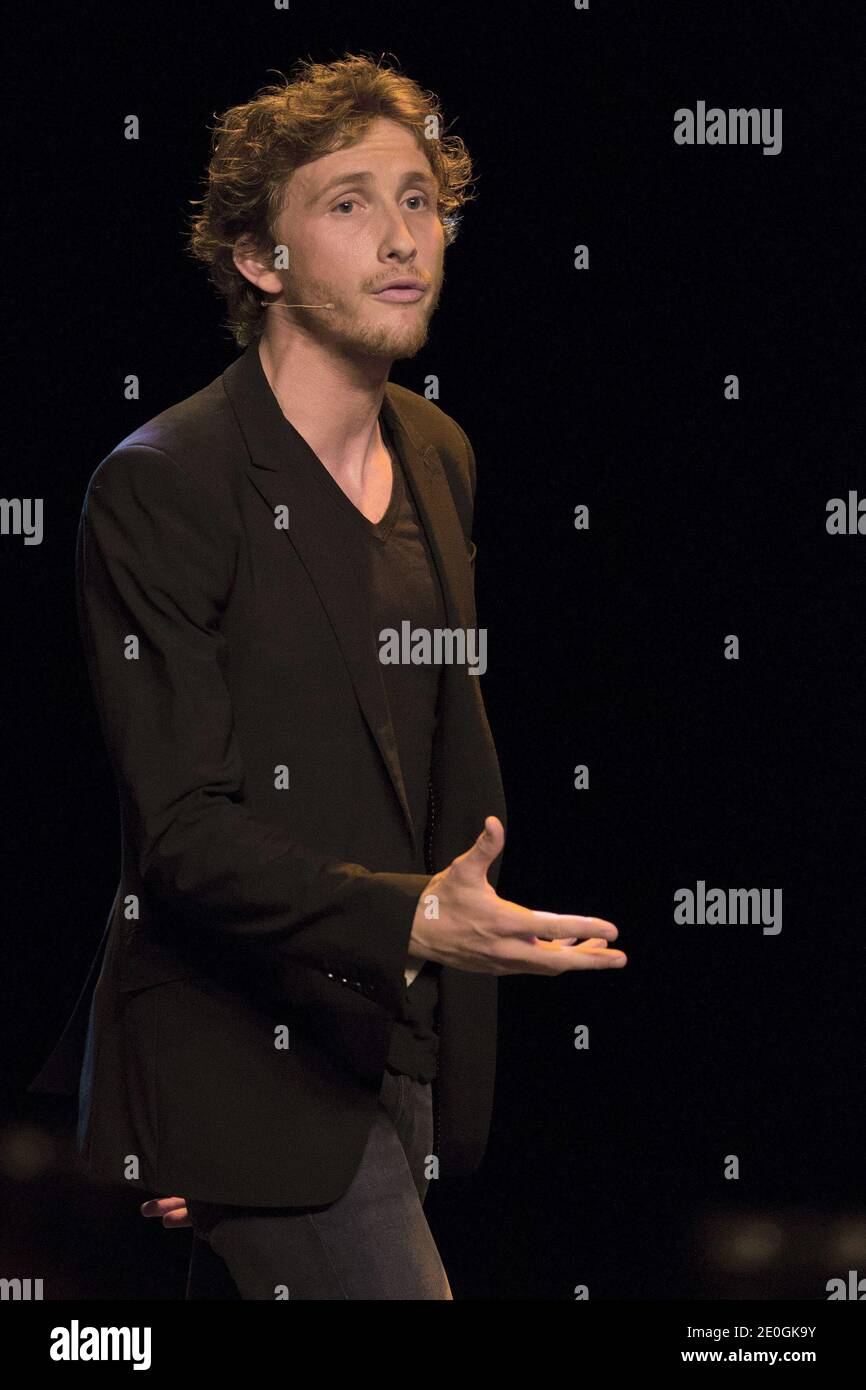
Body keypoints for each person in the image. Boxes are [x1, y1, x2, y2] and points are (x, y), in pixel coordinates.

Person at [28, 52, 626, 1300]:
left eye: (419, 199)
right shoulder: (166, 482)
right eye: (347, 203)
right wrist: (413, 914)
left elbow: (422, 746)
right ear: (261, 260)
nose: (401, 236)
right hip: (241, 1055)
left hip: (392, 1046)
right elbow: (181, 832)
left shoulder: (436, 450)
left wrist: (442, 959)